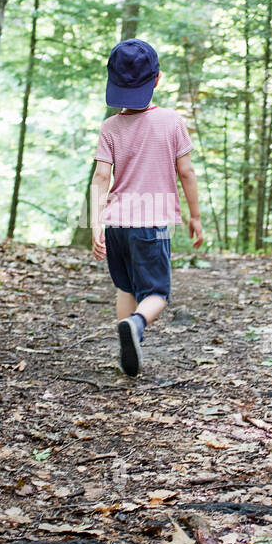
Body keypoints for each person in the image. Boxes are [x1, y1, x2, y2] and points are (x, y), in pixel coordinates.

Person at [90, 39, 204, 377]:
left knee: (125, 288)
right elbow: (187, 171)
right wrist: (194, 217)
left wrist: (96, 224)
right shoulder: (171, 121)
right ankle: (137, 326)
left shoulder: (110, 127)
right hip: (151, 224)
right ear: (157, 79)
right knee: (156, 292)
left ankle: (127, 346)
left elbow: (100, 177)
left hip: (116, 226)